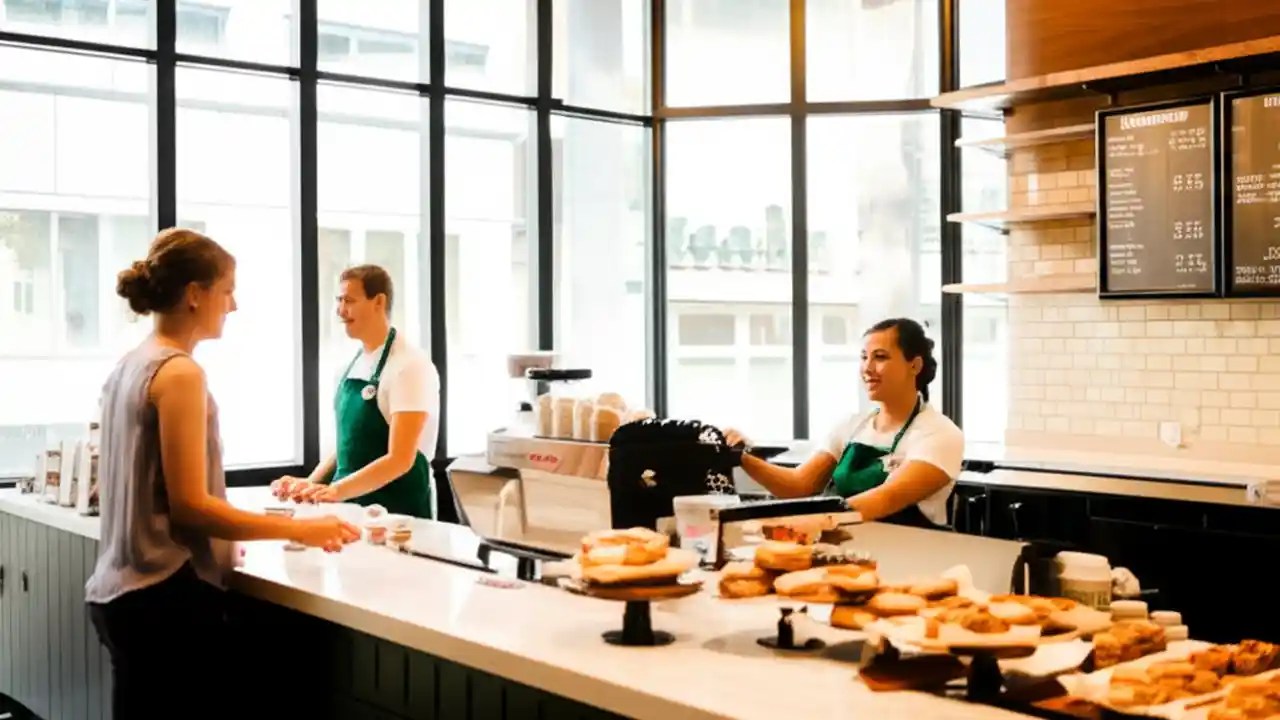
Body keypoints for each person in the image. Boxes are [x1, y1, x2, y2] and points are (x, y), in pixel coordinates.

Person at [84, 228, 360, 718]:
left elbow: (139, 491)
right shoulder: (180, 374)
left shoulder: (129, 366)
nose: (232, 305)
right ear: (195, 295)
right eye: (227, 290)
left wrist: (227, 537)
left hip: (118, 594)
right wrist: (302, 529)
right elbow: (191, 506)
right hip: (162, 600)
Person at [728, 318, 963, 528]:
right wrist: (739, 457)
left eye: (880, 357)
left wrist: (801, 522)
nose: (867, 368)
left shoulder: (940, 434)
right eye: (863, 357)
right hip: (841, 547)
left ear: (915, 366)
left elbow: (886, 498)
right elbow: (799, 485)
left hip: (907, 558)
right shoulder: (853, 426)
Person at [273, 264, 439, 518]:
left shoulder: (409, 366)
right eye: (338, 301)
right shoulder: (350, 367)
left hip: (398, 516)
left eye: (349, 301)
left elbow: (400, 459)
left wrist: (336, 491)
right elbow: (346, 448)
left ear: (379, 302)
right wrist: (310, 484)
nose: (340, 311)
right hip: (350, 510)